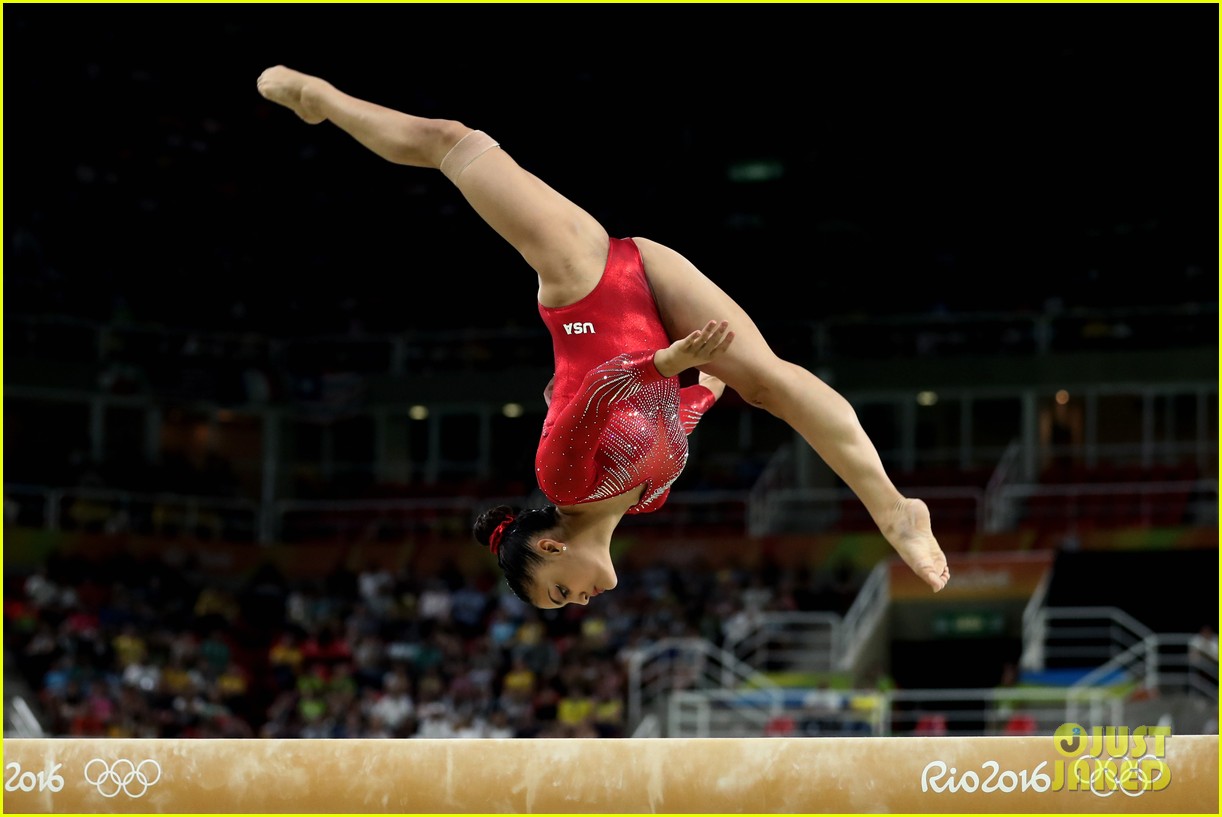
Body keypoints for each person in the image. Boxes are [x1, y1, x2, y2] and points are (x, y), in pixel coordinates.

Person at [256, 65, 950, 609]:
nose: (578, 601)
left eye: (559, 592)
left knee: (451, 142)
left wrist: (672, 359)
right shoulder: (648, 497)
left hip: (588, 285)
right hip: (657, 296)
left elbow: (598, 389)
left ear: (552, 547)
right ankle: (898, 505)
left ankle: (322, 99)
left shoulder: (561, 480)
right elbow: (674, 415)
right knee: (766, 383)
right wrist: (706, 382)